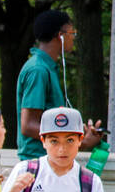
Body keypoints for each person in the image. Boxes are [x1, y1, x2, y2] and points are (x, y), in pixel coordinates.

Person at [16, 10, 105, 161]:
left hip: (51, 160)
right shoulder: (38, 70)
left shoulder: (47, 68)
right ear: (60, 35)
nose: (73, 38)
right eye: (72, 33)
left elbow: (48, 122)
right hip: (38, 161)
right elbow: (28, 125)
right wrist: (75, 141)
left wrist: (73, 131)